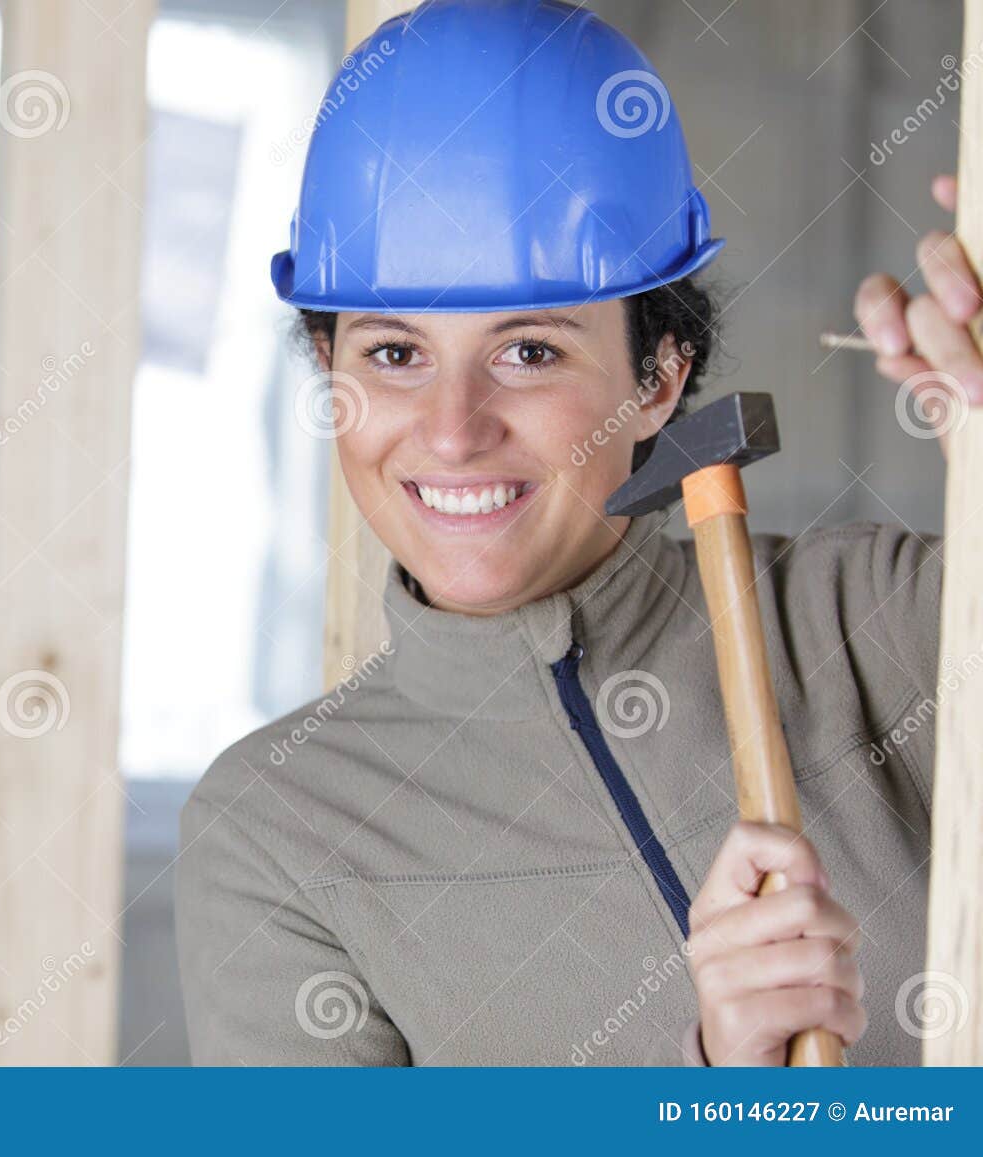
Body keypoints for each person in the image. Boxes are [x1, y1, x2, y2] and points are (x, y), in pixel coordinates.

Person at [175, 0, 965, 1065]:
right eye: (393, 355)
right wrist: (712, 1091)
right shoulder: (278, 826)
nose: (452, 433)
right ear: (329, 375)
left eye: (530, 352)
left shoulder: (877, 624)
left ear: (659, 377)